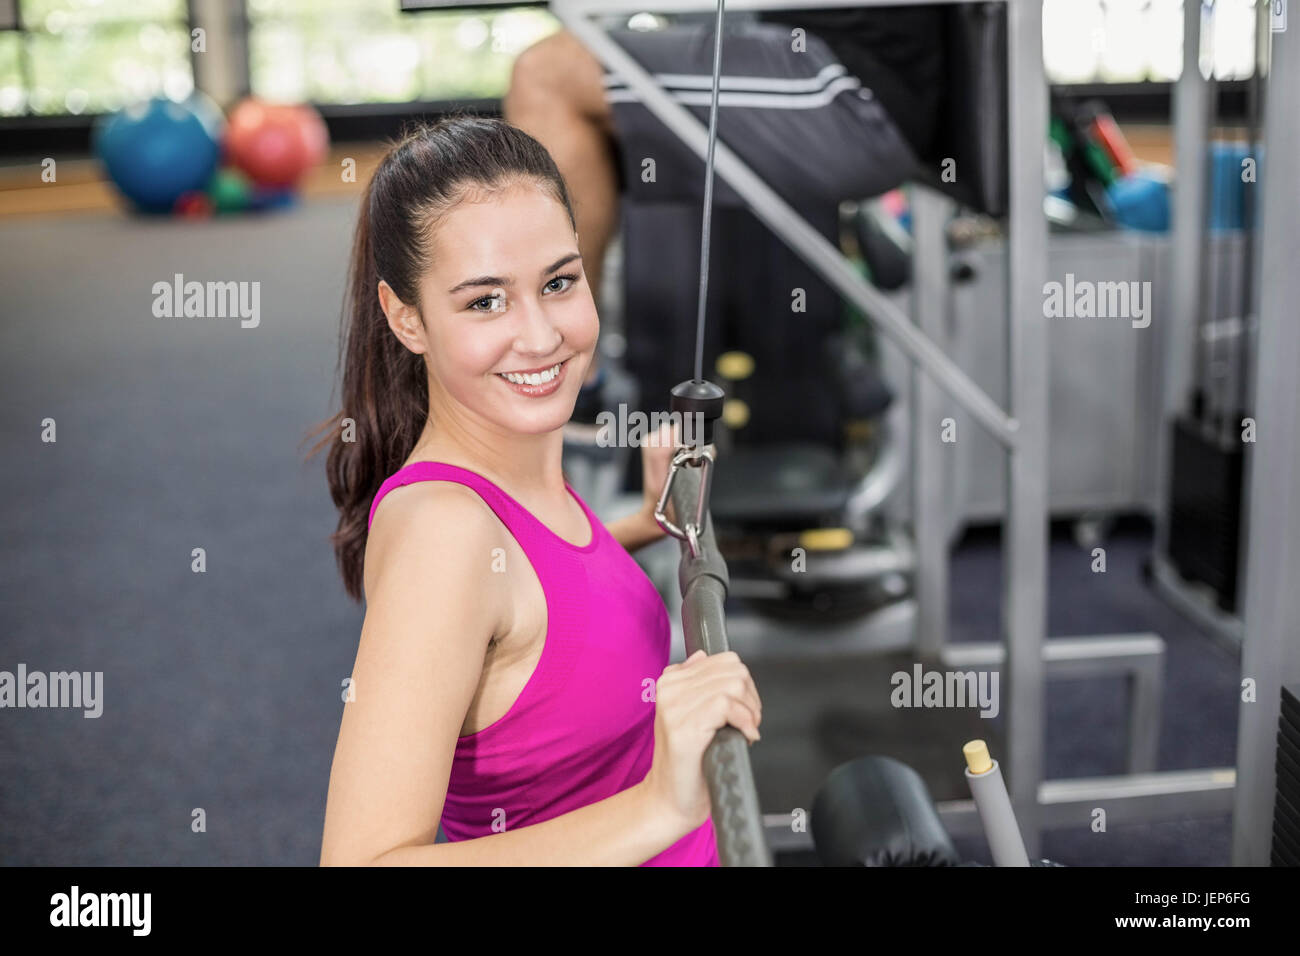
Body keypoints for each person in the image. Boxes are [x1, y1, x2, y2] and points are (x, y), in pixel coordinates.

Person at [315, 116, 762, 866]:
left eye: (558, 282)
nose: (540, 335)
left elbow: (537, 598)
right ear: (406, 318)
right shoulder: (445, 535)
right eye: (485, 301)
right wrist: (659, 806)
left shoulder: (516, 471)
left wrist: (647, 525)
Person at [503, 6, 945, 407]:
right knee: (577, 91)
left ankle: (563, 381)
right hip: (836, 55)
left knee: (547, 76)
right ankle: (570, 379)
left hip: (859, 84)